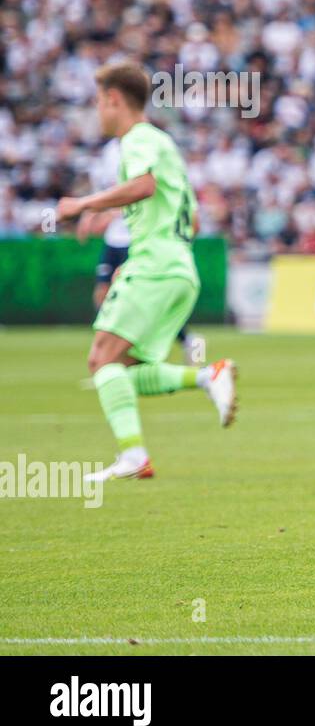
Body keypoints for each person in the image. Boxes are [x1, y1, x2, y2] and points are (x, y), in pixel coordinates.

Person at [55, 62, 237, 482]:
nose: (97, 111)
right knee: (124, 370)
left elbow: (144, 186)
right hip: (177, 268)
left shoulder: (136, 139)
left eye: (99, 101)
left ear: (114, 99)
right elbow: (191, 221)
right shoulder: (164, 143)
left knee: (101, 360)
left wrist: (84, 204)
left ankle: (134, 454)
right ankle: (207, 376)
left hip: (156, 266)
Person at [80, 136, 201, 362]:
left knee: (146, 305)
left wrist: (93, 209)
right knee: (102, 292)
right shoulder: (110, 151)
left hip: (137, 238)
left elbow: (142, 190)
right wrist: (91, 215)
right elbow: (110, 190)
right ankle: (115, 348)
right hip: (114, 238)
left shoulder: (146, 145)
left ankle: (184, 342)